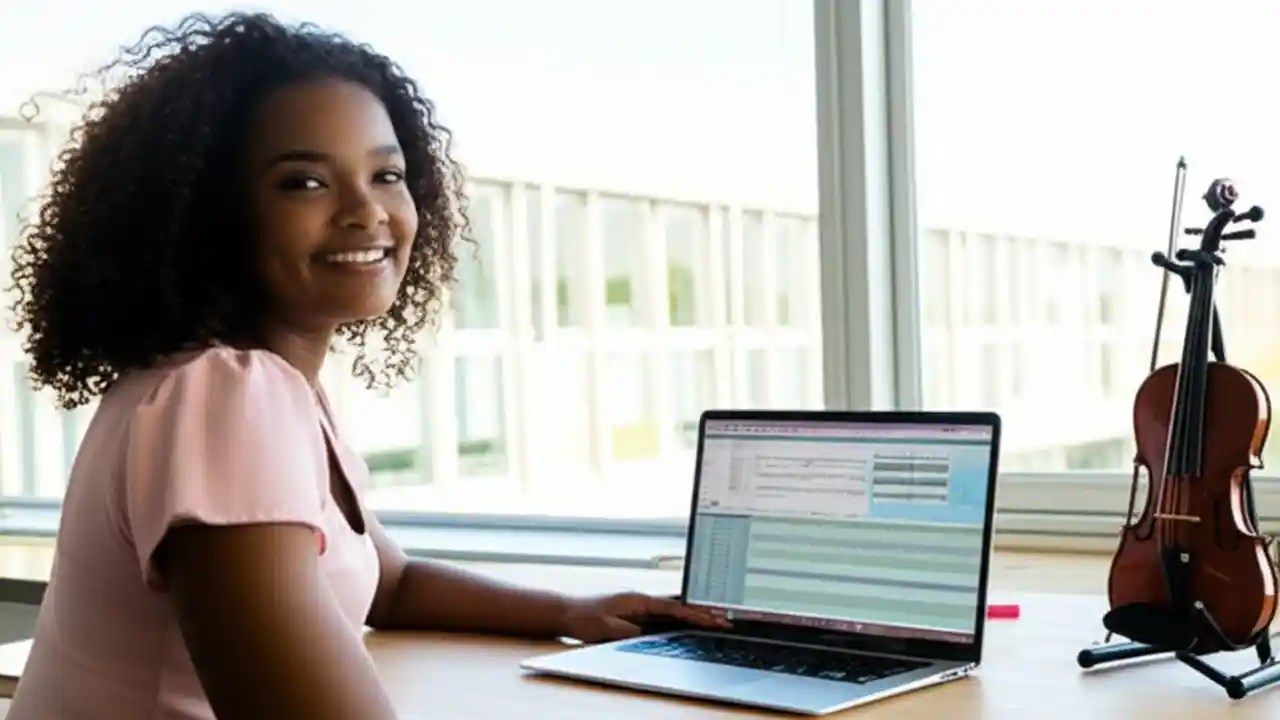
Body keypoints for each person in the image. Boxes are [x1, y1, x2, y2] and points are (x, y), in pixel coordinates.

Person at [5, 12, 726, 720]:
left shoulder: (261, 385)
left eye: (386, 174)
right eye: (304, 183)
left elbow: (389, 582)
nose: (366, 211)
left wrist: (574, 612)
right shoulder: (227, 397)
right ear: (208, 213)